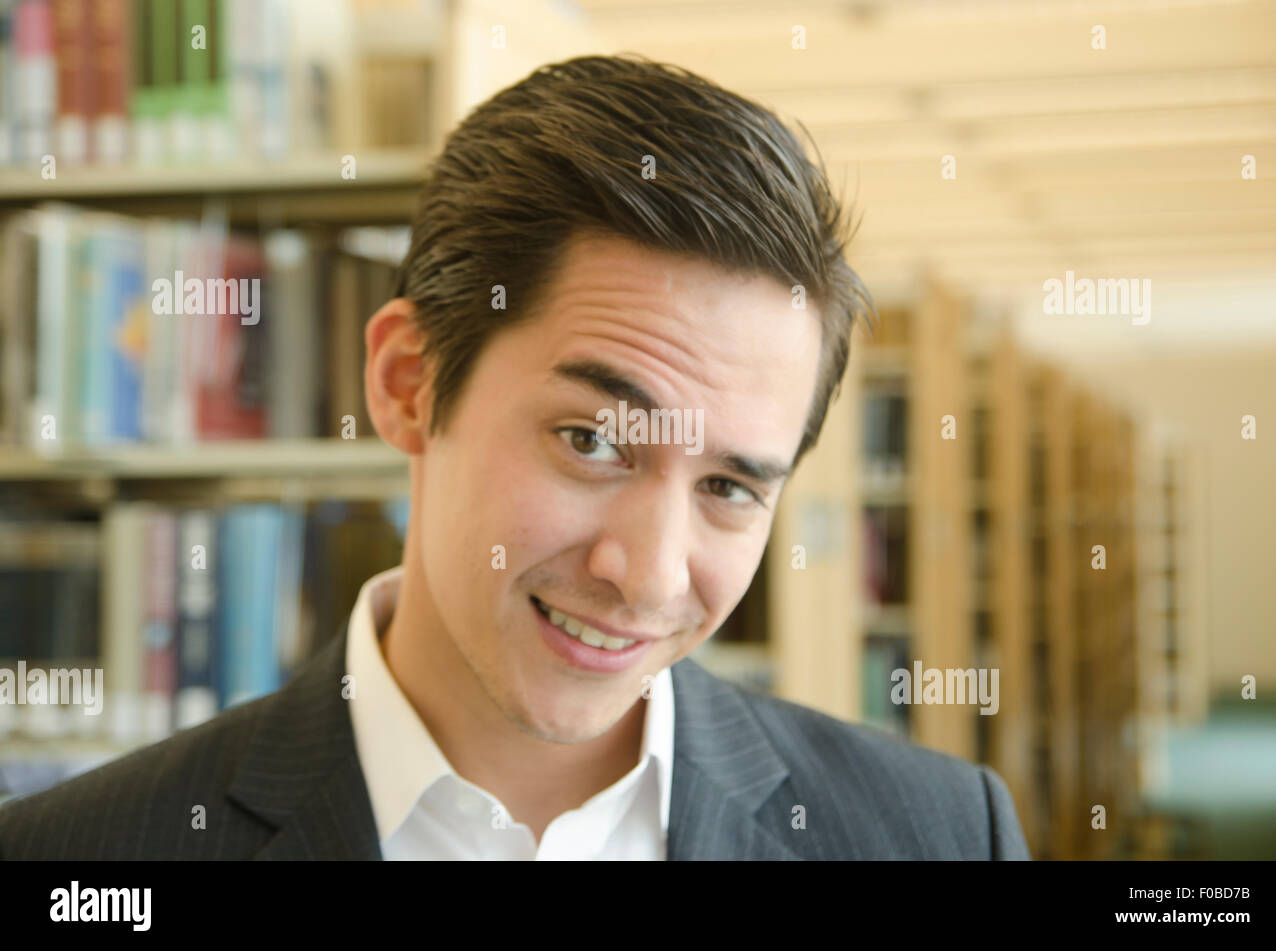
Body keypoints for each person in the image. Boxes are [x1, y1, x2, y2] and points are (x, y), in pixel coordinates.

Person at [0, 55, 1029, 860]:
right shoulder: (83, 855)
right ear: (408, 382)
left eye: (727, 487)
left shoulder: (938, 837)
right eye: (592, 441)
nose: (649, 576)